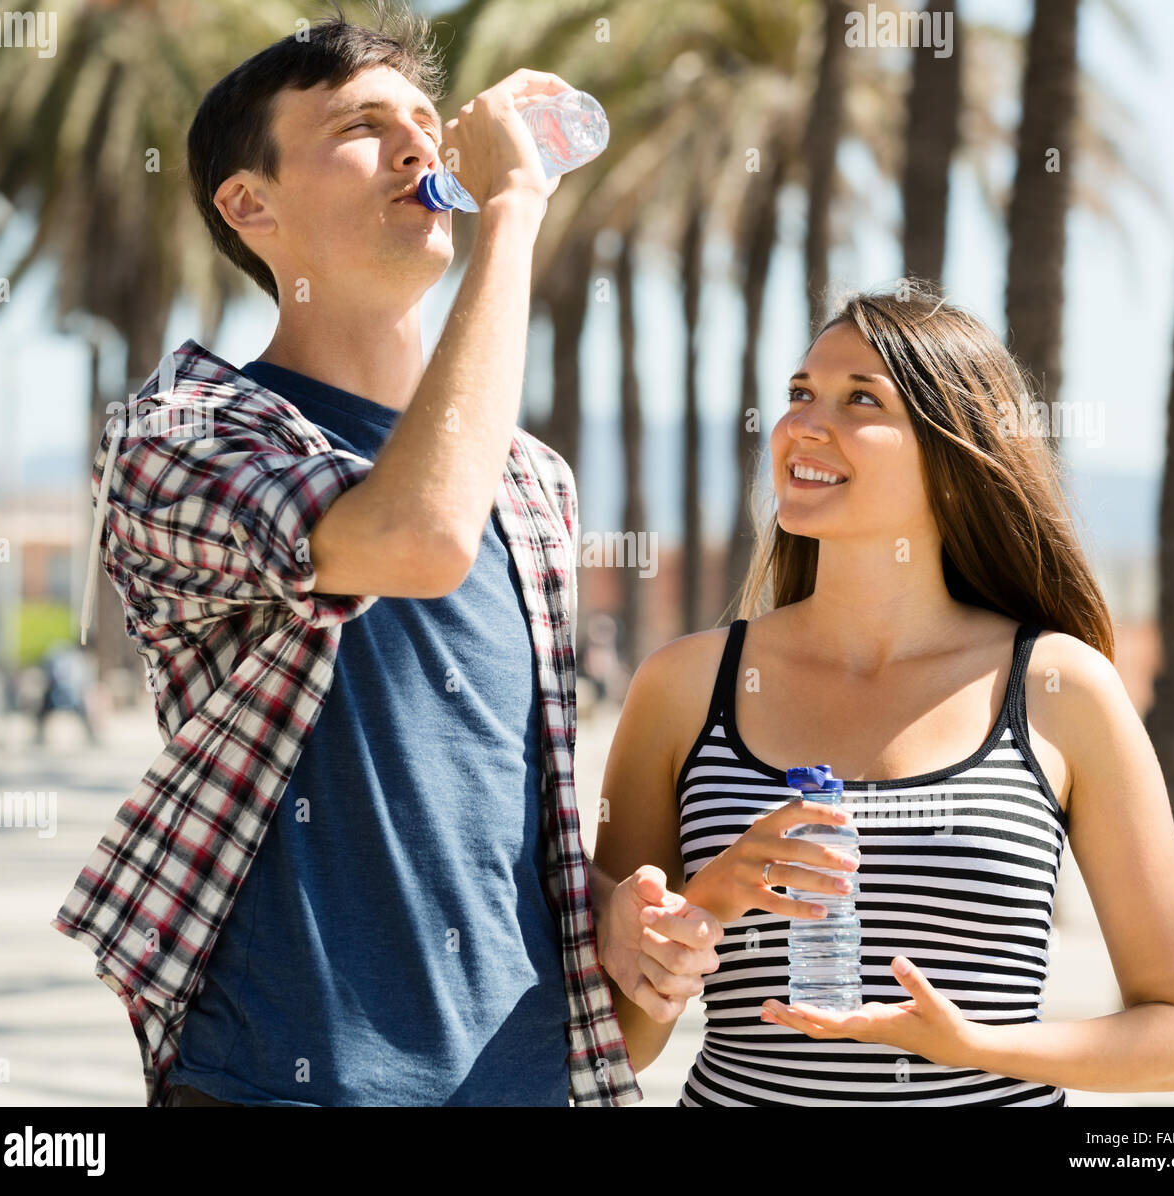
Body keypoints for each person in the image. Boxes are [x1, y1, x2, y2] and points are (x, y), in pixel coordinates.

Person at [53, 3, 717, 1108]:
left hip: (530, 1081)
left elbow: (491, 796)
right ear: (248, 203)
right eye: (363, 126)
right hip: (277, 1081)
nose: (421, 145)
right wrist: (512, 212)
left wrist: (601, 904)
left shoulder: (533, 480)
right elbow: (414, 538)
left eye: (426, 119)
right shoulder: (182, 436)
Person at [595, 284, 1174, 1105]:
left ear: (953, 456)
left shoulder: (1062, 690)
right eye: (799, 394)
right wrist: (704, 906)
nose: (803, 426)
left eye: (861, 398)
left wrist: (977, 1044)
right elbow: (611, 1044)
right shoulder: (683, 688)